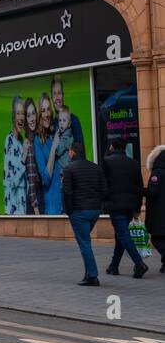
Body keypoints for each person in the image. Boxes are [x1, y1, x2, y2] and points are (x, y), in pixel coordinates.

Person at [62, 141, 107, 286]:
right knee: (85, 240)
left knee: (84, 244)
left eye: (69, 151)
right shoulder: (96, 168)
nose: (69, 153)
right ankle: (88, 274)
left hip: (79, 211)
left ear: (73, 152)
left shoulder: (69, 169)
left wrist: (69, 211)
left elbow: (67, 192)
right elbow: (104, 191)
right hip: (94, 211)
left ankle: (92, 276)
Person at [103, 138, 147, 277]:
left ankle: (139, 264)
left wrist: (104, 203)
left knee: (122, 235)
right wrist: (138, 207)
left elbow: (103, 185)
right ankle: (114, 266)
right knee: (120, 236)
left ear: (111, 147)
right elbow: (139, 187)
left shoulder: (107, 162)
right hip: (130, 205)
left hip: (115, 205)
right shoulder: (134, 163)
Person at [35, 92, 63, 215]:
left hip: (66, 204)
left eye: (48, 110)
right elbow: (45, 179)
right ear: (39, 115)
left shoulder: (56, 132)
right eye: (43, 111)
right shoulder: (37, 141)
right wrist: (53, 149)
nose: (46, 114)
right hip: (52, 207)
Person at [2, 95, 28, 215]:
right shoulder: (10, 140)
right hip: (14, 205)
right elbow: (12, 181)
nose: (21, 117)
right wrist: (23, 159)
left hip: (21, 201)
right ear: (13, 116)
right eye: (18, 113)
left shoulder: (20, 140)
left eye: (23, 113)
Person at [144, 145, 165, 273]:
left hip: (159, 211)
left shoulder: (157, 173)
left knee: (157, 238)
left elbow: (153, 191)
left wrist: (140, 191)